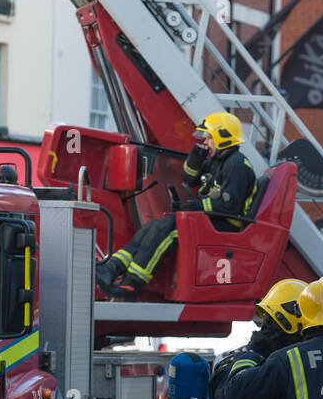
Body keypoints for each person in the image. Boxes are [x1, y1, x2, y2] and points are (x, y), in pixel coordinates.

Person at [94, 112, 258, 298]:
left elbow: (231, 207)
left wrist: (198, 207)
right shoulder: (218, 160)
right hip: (211, 218)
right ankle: (112, 268)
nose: (205, 141)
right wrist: (198, 153)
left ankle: (132, 284)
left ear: (223, 138)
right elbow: (190, 177)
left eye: (209, 137)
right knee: (153, 226)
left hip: (226, 224)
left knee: (170, 230)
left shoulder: (237, 165)